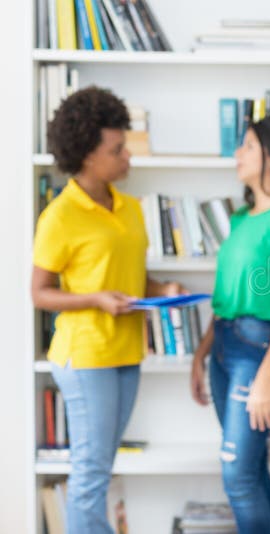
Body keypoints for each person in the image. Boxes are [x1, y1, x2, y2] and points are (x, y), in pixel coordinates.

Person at [31, 86, 183, 534]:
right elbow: (39, 292)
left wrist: (164, 287)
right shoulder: (59, 217)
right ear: (87, 155)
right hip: (86, 357)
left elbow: (129, 279)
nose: (127, 159)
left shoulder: (131, 209)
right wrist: (96, 300)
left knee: (99, 467)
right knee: (90, 477)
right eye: (117, 151)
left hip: (125, 354)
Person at [190, 117, 270, 534]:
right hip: (225, 346)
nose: (237, 154)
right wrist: (201, 352)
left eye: (247, 146)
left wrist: (266, 374)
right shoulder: (242, 217)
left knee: (237, 476)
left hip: (257, 351)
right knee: (251, 467)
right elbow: (225, 296)